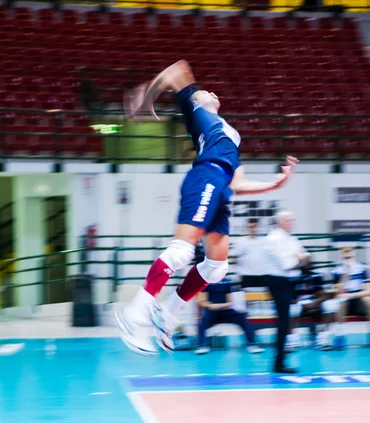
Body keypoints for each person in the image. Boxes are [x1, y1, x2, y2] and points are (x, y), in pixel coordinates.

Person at [115, 59, 298, 355]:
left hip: (222, 188)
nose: (209, 91)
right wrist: (147, 98)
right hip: (205, 176)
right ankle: (135, 314)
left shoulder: (230, 133)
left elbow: (238, 184)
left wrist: (274, 184)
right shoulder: (196, 109)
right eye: (204, 91)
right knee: (182, 250)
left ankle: (168, 312)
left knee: (217, 266)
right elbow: (177, 69)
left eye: (210, 90)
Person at [263, 210, 309, 373]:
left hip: (289, 282)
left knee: (287, 319)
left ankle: (280, 359)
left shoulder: (291, 238)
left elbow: (307, 257)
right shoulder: (273, 239)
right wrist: (299, 258)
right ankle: (278, 362)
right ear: (280, 222)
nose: (292, 223)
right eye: (289, 220)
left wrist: (299, 258)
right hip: (278, 282)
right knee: (283, 321)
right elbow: (287, 264)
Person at [195, 277, 264, 355]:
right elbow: (203, 301)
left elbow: (229, 301)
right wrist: (211, 306)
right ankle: (202, 345)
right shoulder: (207, 281)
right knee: (202, 324)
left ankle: (252, 344)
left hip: (226, 310)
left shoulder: (226, 281)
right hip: (212, 311)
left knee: (242, 319)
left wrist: (224, 305)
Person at [332, 247, 370, 348]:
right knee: (340, 302)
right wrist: (346, 274)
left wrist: (351, 295)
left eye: (350, 257)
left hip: (358, 298)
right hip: (345, 301)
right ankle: (340, 335)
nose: (348, 260)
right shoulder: (337, 270)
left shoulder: (363, 268)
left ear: (354, 256)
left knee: (369, 300)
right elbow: (339, 292)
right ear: (342, 258)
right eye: (346, 258)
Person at [233, 218, 269, 288]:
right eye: (250, 227)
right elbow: (235, 258)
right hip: (247, 276)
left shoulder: (265, 241)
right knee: (247, 297)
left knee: (264, 298)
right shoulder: (240, 242)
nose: (253, 229)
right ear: (247, 228)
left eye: (255, 227)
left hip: (263, 275)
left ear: (259, 227)